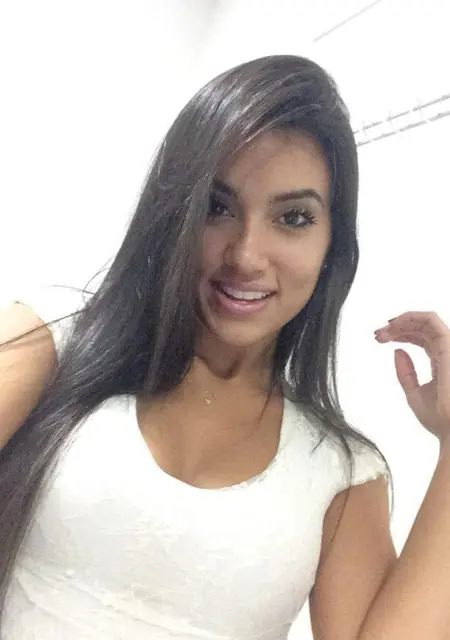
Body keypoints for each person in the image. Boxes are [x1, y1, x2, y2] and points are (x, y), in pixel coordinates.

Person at [0, 54, 449, 640]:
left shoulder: (341, 471)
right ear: (171, 213)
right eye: (216, 208)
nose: (245, 254)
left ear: (332, 245)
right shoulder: (51, 343)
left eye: (293, 218)